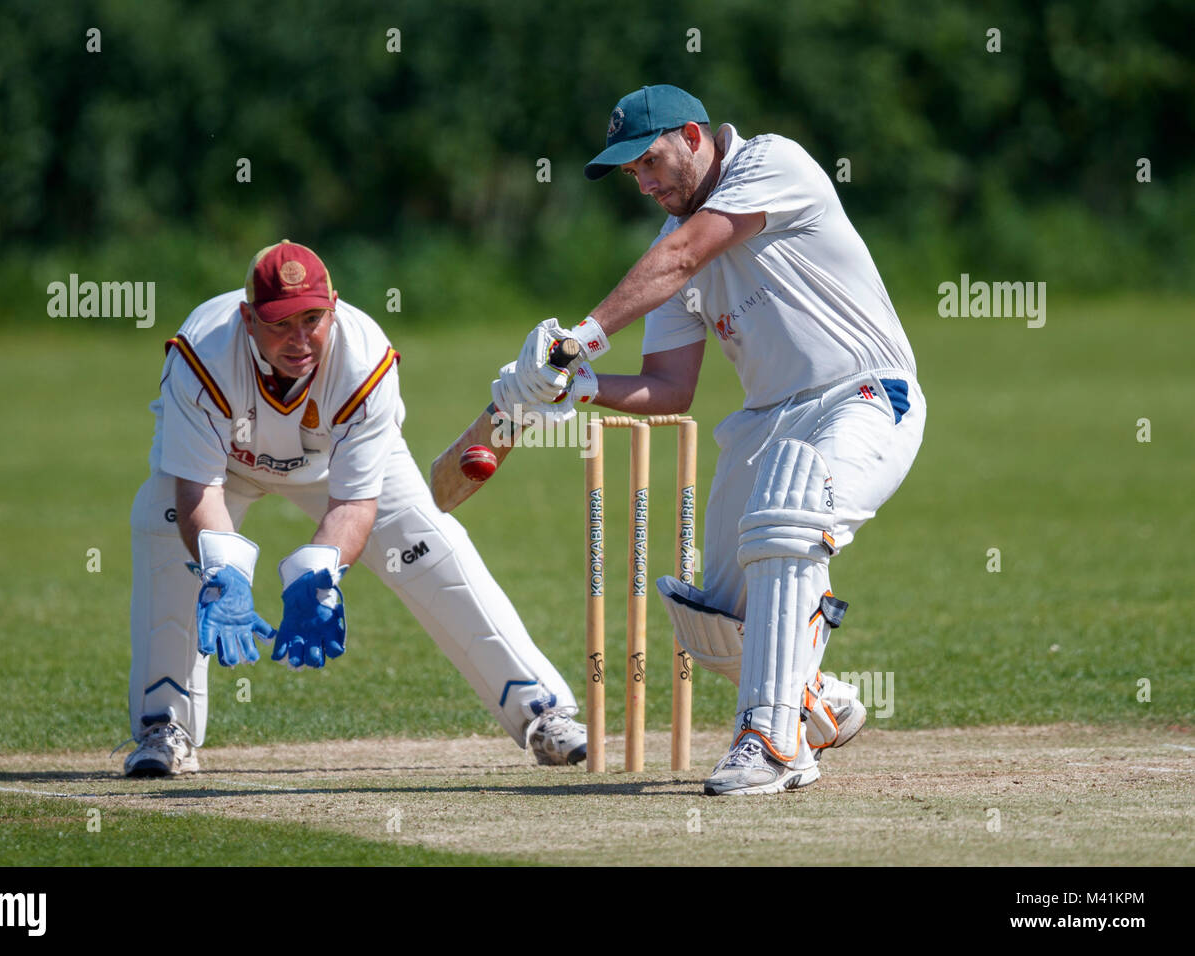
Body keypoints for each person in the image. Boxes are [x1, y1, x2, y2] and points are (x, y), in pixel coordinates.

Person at [492, 85, 925, 795]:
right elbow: (670, 387)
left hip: (864, 394)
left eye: (652, 160)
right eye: (632, 173)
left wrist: (576, 342)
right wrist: (577, 386)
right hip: (767, 419)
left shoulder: (771, 163)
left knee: (787, 524)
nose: (646, 182)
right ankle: (815, 699)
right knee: (712, 623)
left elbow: (688, 257)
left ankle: (771, 741)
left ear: (695, 135)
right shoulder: (669, 247)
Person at [122, 240, 586, 776]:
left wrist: (318, 576)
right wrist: (223, 573)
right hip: (224, 467)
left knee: (433, 548)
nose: (300, 340)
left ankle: (542, 711)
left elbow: (354, 502)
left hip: (335, 466)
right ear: (248, 319)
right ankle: (164, 727)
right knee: (166, 538)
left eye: (313, 319)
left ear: (334, 307)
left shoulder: (365, 356)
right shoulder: (201, 350)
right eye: (280, 324)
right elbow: (197, 489)